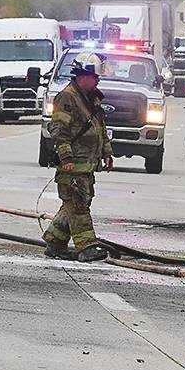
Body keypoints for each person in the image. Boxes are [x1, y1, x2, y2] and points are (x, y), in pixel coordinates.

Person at [43, 59, 113, 263]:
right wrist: (66, 158)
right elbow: (58, 130)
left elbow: (100, 128)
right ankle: (86, 247)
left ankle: (55, 242)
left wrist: (107, 153)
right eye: (94, 77)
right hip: (73, 165)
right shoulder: (67, 97)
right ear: (82, 77)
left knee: (73, 204)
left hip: (87, 165)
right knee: (79, 205)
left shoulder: (91, 99)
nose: (98, 80)